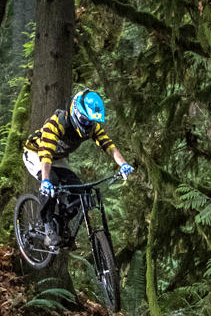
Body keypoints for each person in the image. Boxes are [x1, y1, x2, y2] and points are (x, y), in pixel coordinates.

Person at [23, 88, 133, 247]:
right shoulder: (56, 123)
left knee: (79, 192)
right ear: (76, 112)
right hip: (35, 153)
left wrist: (123, 164)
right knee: (51, 182)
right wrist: (45, 180)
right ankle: (47, 228)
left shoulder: (91, 127)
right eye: (85, 120)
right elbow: (45, 154)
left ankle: (62, 224)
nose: (88, 125)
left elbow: (108, 145)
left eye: (91, 122)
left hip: (58, 158)